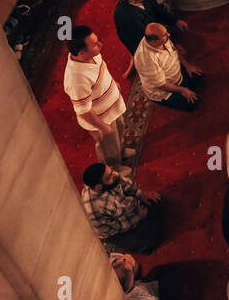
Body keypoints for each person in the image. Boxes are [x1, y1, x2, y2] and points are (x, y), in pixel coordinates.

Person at [64, 25, 134, 166]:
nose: (101, 45)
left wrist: (112, 82)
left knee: (119, 131)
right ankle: (114, 170)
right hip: (102, 119)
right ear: (82, 53)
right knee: (109, 148)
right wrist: (102, 127)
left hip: (112, 108)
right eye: (95, 44)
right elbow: (83, 112)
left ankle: (121, 152)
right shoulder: (77, 79)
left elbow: (101, 68)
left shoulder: (92, 55)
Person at [80, 163, 162, 252]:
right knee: (149, 243)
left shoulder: (109, 177)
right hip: (117, 231)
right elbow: (119, 226)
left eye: (111, 171)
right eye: (109, 177)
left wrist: (141, 194)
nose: (115, 174)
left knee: (157, 202)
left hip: (124, 208)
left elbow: (124, 183)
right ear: (99, 187)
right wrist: (139, 217)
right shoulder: (96, 208)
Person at [134, 23, 203, 111]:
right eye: (165, 35)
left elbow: (174, 50)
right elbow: (161, 85)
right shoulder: (146, 59)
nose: (168, 35)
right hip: (164, 90)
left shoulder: (161, 39)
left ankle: (184, 86)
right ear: (154, 41)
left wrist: (187, 66)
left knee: (199, 77)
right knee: (193, 104)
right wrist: (183, 90)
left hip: (177, 75)